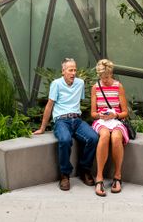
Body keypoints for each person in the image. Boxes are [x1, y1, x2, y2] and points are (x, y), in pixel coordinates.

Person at [34, 57, 98, 191]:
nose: (73, 73)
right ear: (63, 71)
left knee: (93, 138)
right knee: (65, 140)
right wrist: (42, 128)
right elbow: (49, 105)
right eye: (70, 70)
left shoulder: (80, 83)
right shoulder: (56, 84)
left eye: (75, 70)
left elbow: (78, 102)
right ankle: (65, 175)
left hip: (77, 120)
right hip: (61, 121)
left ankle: (84, 170)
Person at [90, 58, 130, 195]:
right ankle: (99, 177)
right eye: (102, 77)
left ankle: (117, 176)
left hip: (116, 120)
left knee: (116, 137)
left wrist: (115, 115)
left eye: (107, 77)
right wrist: (100, 115)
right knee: (105, 135)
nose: (105, 80)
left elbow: (125, 112)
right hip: (101, 121)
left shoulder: (118, 86)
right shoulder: (95, 87)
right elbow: (93, 113)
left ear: (111, 74)